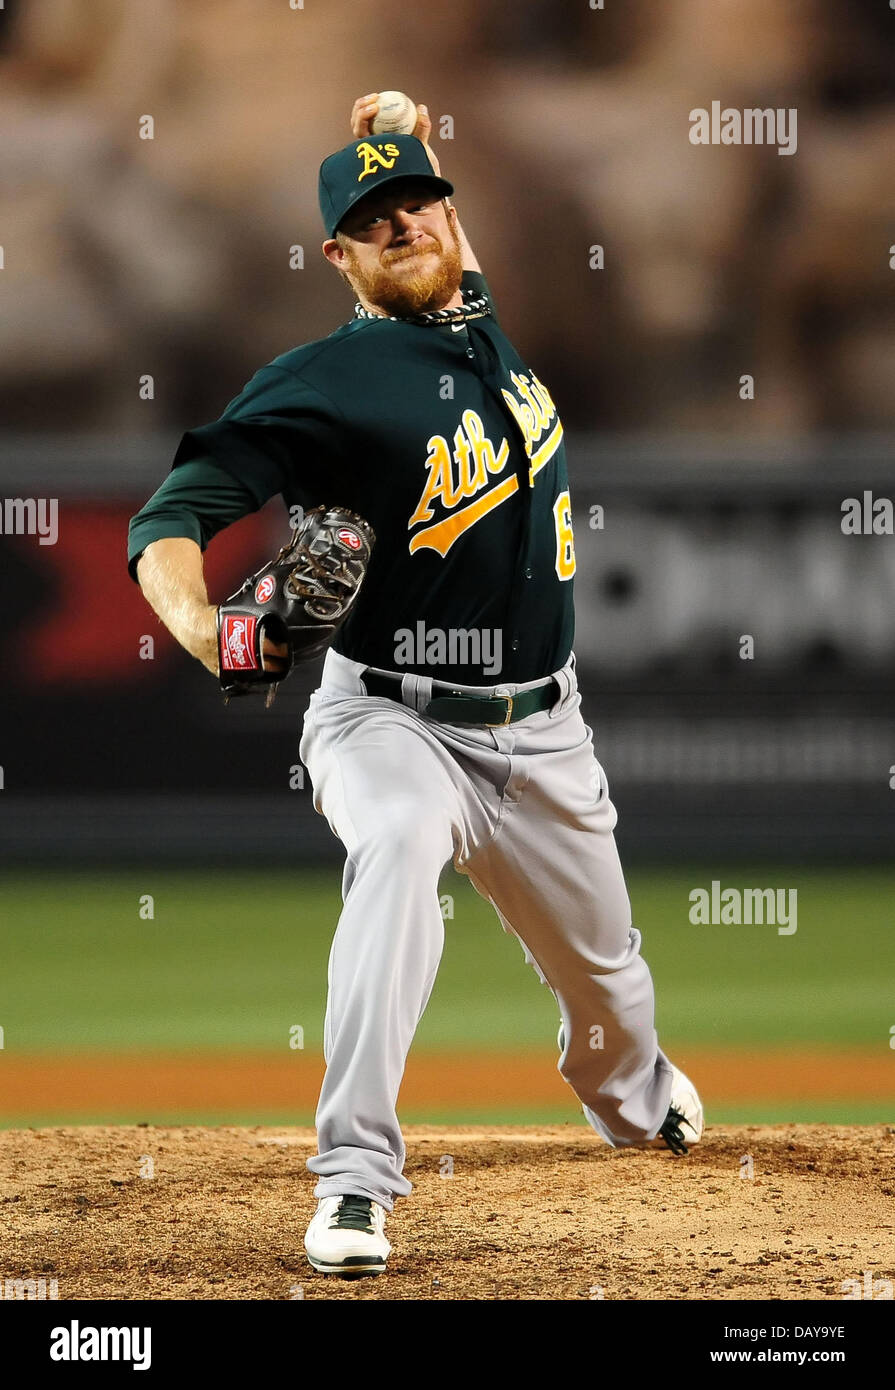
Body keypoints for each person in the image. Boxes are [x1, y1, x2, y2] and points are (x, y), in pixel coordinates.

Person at [127, 93, 704, 1281]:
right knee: (394, 852)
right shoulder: (326, 381)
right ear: (336, 256)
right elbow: (169, 517)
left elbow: (447, 247)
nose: (403, 226)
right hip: (392, 719)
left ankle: (631, 1093)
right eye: (370, 220)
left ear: (449, 213)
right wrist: (205, 631)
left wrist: (409, 136)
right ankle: (353, 1181)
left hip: (546, 730)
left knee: (610, 985)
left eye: (417, 203)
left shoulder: (478, 318)